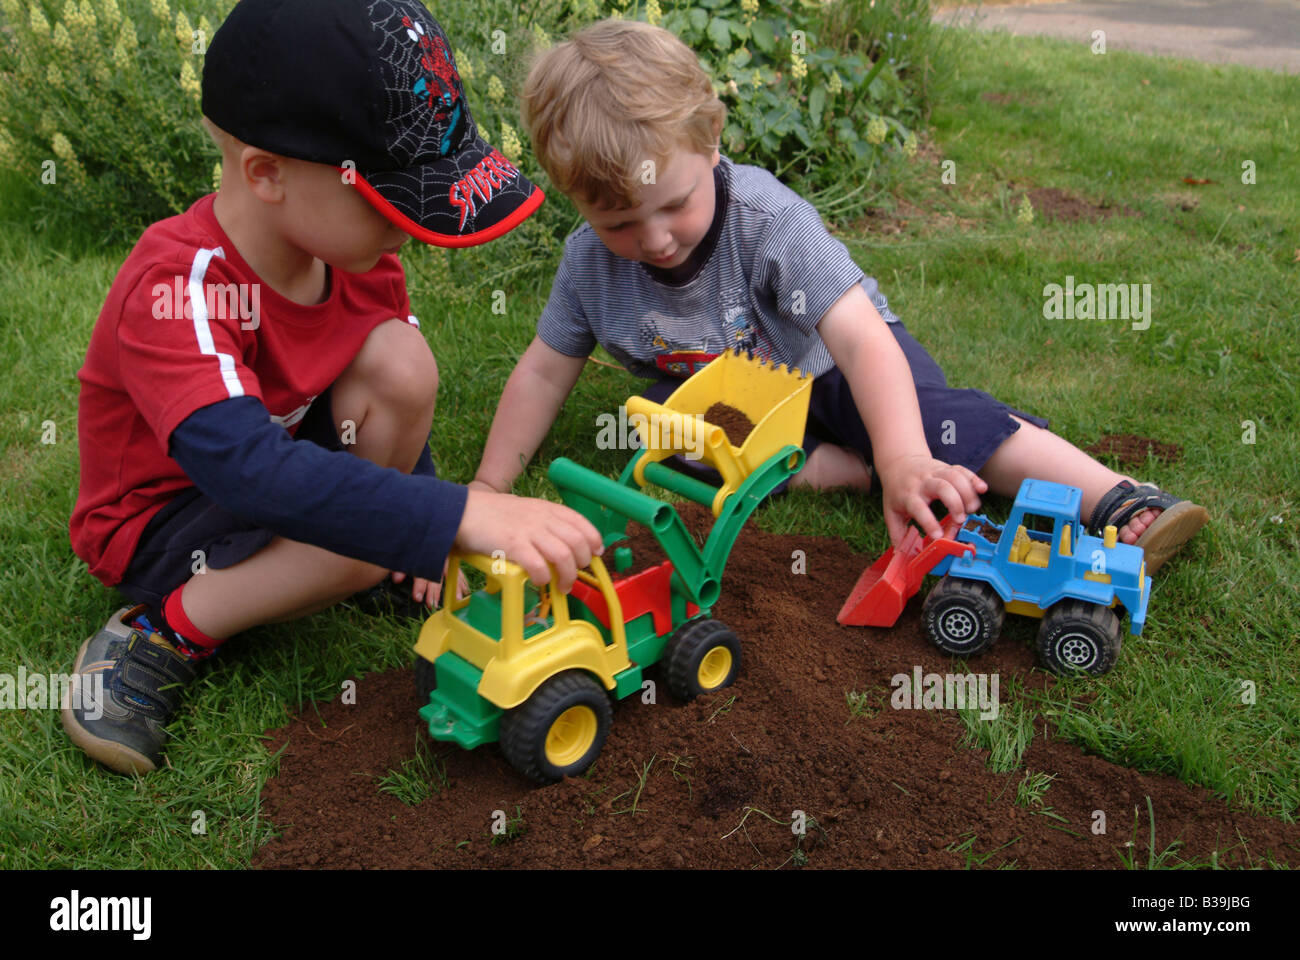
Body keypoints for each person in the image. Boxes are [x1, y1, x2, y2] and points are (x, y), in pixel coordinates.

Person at [63, 0, 602, 776]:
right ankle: (161, 632)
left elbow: (368, 412)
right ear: (267, 174)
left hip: (278, 475)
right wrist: (455, 513)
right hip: (168, 520)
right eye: (387, 198)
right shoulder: (179, 286)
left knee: (402, 362)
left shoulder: (352, 259)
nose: (409, 226)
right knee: (363, 543)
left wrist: (419, 523)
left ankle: (353, 562)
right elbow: (248, 471)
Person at [471, 19, 1206, 573]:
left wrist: (905, 452)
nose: (656, 240)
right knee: (663, 431)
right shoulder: (585, 266)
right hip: (737, 403)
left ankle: (1114, 495)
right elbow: (543, 370)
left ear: (712, 142)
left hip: (834, 367)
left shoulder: (767, 219)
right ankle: (859, 469)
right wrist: (489, 487)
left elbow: (859, 336)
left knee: (934, 426)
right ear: (576, 201)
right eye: (620, 223)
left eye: (674, 206)